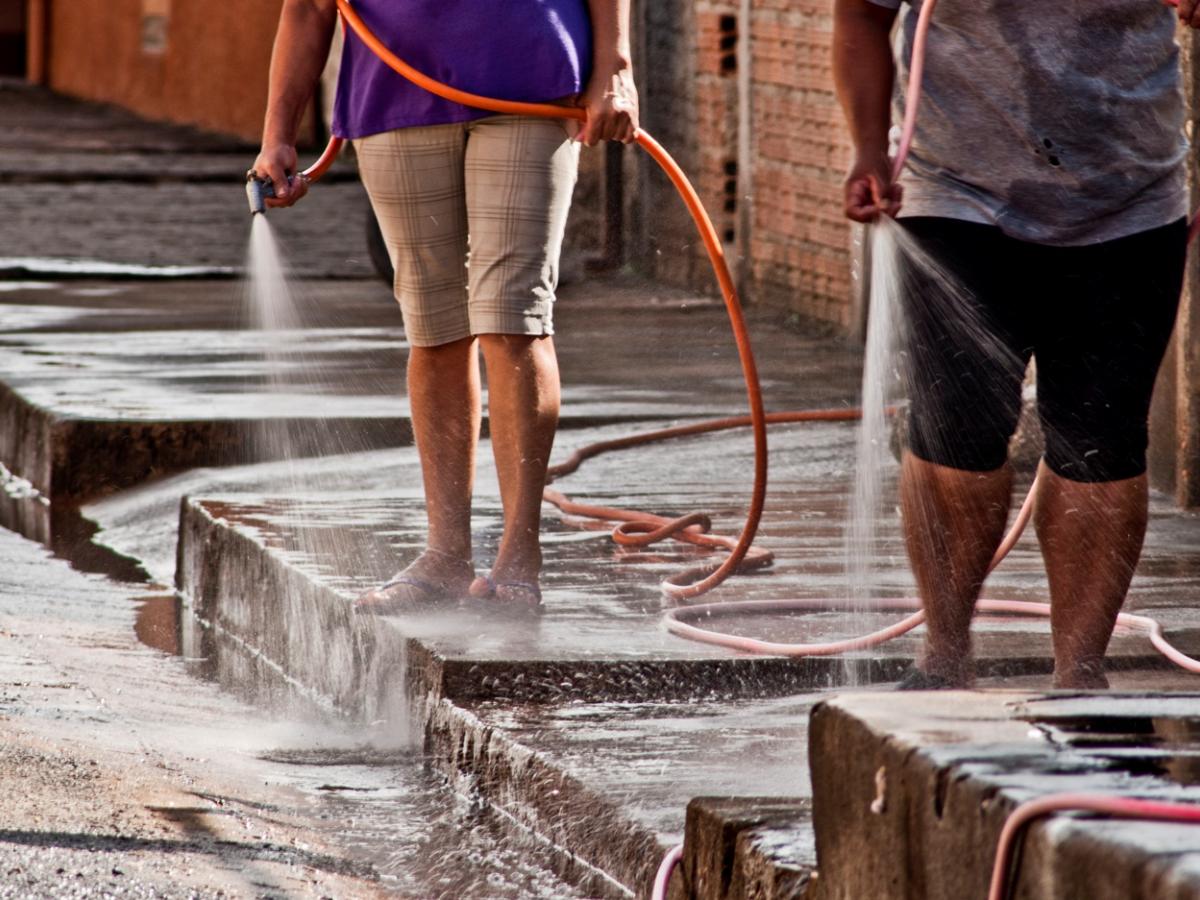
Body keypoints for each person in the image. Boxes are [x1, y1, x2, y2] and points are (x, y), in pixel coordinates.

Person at [833, 0, 1197, 688]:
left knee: (1102, 439)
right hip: (954, 192)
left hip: (1129, 199)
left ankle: (1079, 677)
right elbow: (860, 14)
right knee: (957, 427)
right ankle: (944, 657)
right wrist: (868, 150)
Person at [253, 0, 639, 612]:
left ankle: (519, 558)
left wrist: (613, 68)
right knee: (434, 328)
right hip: (394, 95)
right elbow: (308, 7)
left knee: (513, 317)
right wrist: (277, 134)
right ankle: (445, 556)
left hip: (531, 84)